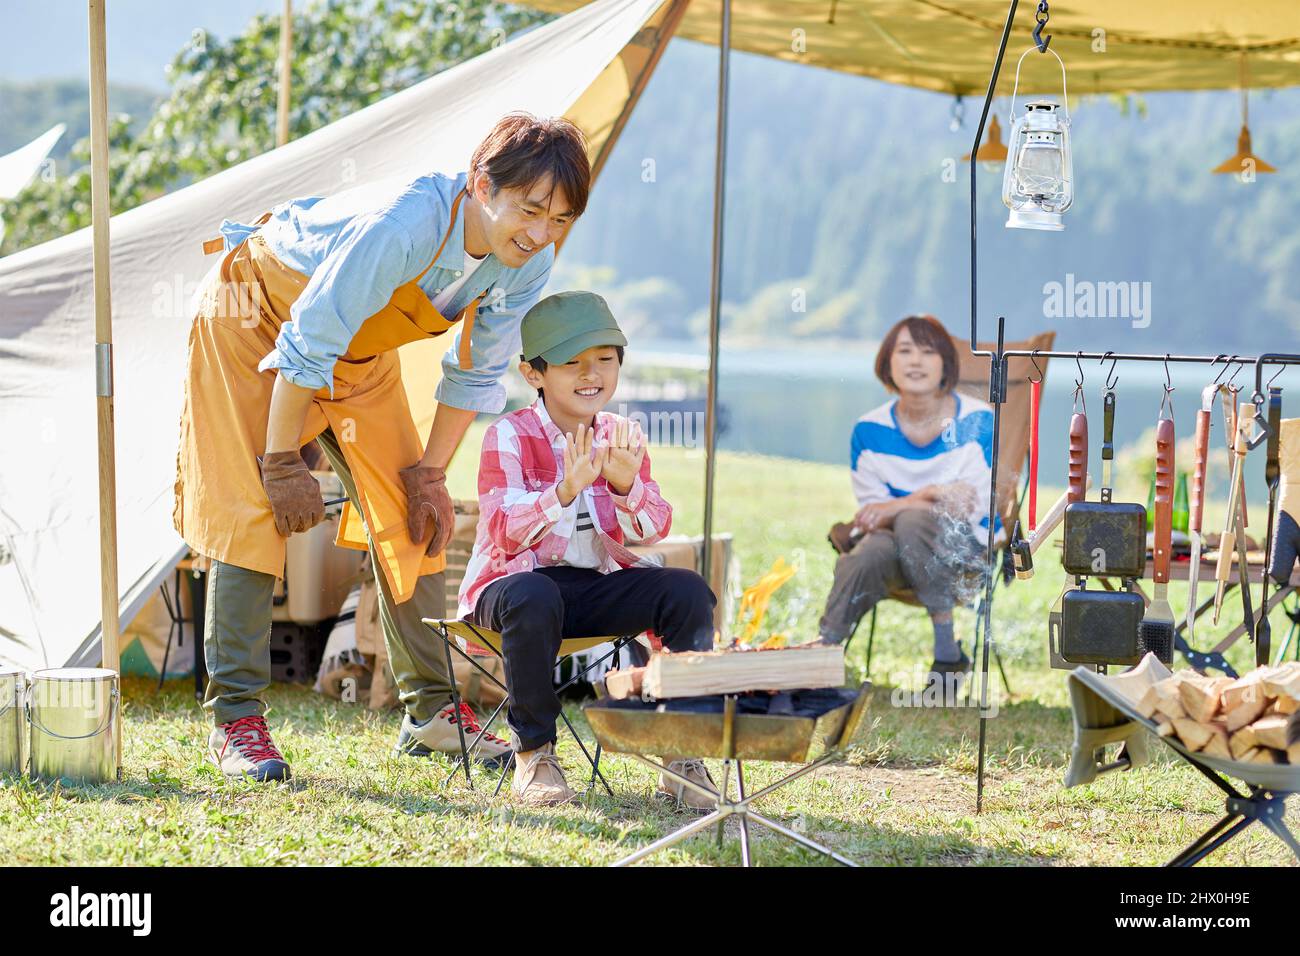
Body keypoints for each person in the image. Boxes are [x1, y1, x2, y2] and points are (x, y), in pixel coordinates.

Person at [174, 113, 592, 781]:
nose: (542, 233)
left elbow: (477, 370)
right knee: (252, 507)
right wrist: (283, 462)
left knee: (411, 508)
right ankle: (236, 722)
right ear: (483, 184)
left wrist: (430, 472)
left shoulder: (528, 261)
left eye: (560, 220)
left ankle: (428, 712)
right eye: (530, 209)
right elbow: (309, 339)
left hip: (357, 350)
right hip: (255, 321)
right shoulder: (406, 225)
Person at [458, 291, 718, 807]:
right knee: (534, 594)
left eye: (604, 359)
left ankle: (681, 751)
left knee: (686, 590)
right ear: (534, 374)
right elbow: (506, 532)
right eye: (571, 362)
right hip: (509, 590)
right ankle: (534, 755)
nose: (590, 373)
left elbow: (654, 526)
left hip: (590, 589)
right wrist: (563, 491)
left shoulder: (622, 435)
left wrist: (626, 486)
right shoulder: (507, 435)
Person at [818, 315, 994, 682]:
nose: (915, 361)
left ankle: (946, 649)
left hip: (965, 553)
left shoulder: (978, 421)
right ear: (887, 362)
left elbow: (968, 507)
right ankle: (823, 653)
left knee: (912, 521)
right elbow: (871, 518)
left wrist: (901, 505)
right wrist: (930, 494)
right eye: (905, 350)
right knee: (868, 553)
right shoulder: (869, 430)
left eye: (928, 352)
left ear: (945, 362)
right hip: (897, 553)